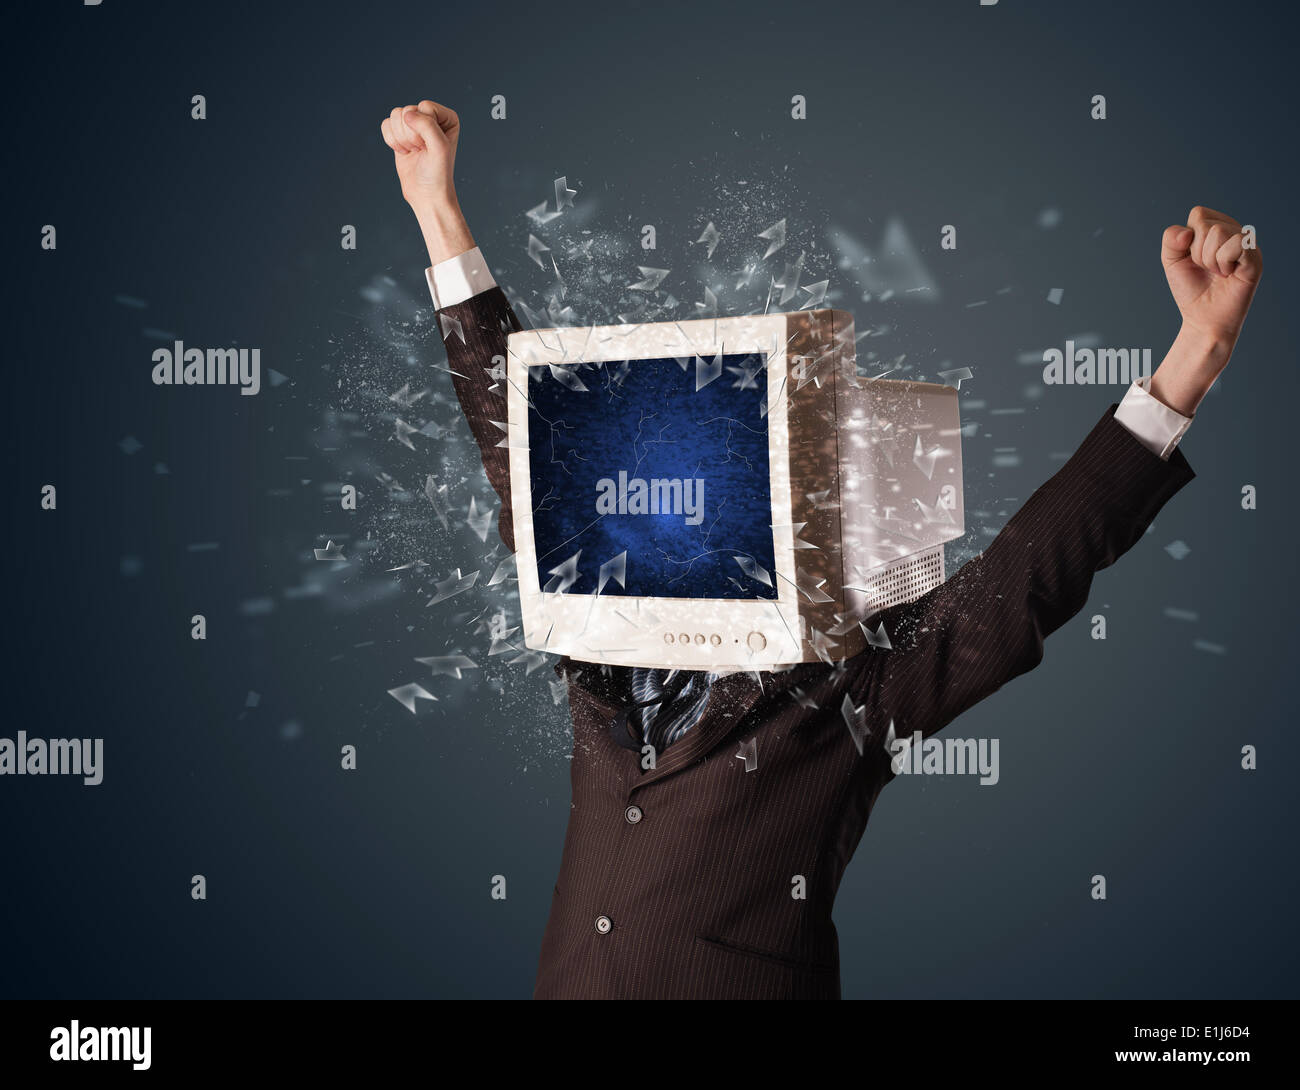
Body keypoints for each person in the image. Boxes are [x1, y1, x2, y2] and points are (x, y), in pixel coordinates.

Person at [380, 99, 1262, 1000]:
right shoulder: (598, 625)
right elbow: (520, 444)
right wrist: (436, 210)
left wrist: (1197, 351)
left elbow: (1025, 578)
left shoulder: (853, 685)